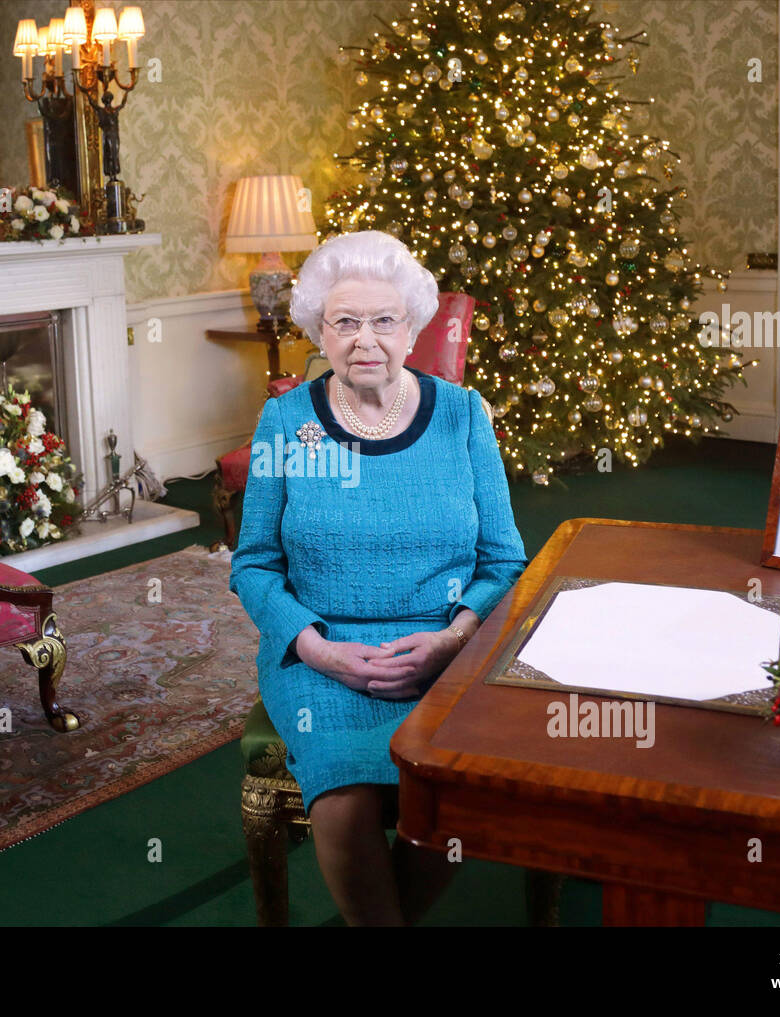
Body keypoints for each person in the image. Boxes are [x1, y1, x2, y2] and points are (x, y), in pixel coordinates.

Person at [229, 230, 528, 925]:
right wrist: (314, 646)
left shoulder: (461, 416)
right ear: (319, 330)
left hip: (444, 652)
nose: (366, 340)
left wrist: (451, 641)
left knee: (466, 787)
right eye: (345, 322)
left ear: (413, 327)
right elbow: (254, 563)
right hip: (324, 658)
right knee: (344, 798)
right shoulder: (286, 421)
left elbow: (506, 560)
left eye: (384, 320)